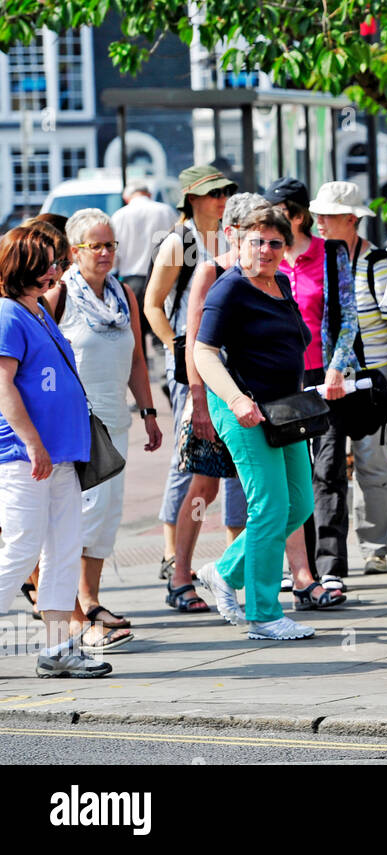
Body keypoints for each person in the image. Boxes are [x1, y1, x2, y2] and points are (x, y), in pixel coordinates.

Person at [191, 205, 318, 640]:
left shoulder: (281, 282)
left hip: (283, 410)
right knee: (268, 505)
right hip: (242, 409)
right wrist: (235, 398)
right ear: (238, 241)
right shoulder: (228, 289)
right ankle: (263, 614)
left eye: (274, 242)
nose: (265, 249)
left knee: (299, 504)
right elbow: (203, 352)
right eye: (256, 241)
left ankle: (225, 571)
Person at [40, 210, 163, 652]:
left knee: (105, 519)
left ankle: (89, 600)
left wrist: (149, 410)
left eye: (111, 244)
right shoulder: (57, 296)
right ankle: (71, 618)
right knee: (75, 519)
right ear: (75, 251)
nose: (108, 252)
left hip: (115, 421)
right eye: (98, 245)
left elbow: (135, 360)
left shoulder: (123, 294)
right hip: (75, 426)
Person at [0, 225, 109, 678]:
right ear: (24, 264)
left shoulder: (39, 310)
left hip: (61, 454)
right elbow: (3, 385)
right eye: (47, 260)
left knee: (63, 549)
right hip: (26, 457)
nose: (56, 267)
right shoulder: (7, 313)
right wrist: (31, 442)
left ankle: (58, 647)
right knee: (23, 545)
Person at [143, 165, 247, 583]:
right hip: (190, 360)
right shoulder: (178, 241)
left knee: (237, 453)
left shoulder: (231, 237)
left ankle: (234, 547)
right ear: (192, 197)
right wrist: (176, 344)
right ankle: (173, 551)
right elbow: (153, 304)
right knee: (190, 458)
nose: (221, 198)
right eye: (212, 192)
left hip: (229, 358)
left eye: (225, 190)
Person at [310, 181, 387, 576]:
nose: (320, 222)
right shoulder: (318, 261)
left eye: (329, 216)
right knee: (328, 462)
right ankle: (331, 553)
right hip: (329, 376)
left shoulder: (376, 263)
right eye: (318, 215)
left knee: (370, 459)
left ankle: (374, 547)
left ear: (351, 220)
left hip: (371, 377)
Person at [265, 177, 358, 590]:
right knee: (291, 475)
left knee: (328, 468)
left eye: (278, 212)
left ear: (297, 216)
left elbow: (349, 315)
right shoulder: (264, 258)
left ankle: (331, 565)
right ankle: (300, 569)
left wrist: (339, 367)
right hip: (281, 380)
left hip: (326, 378)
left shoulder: (331, 253)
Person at [111, 181, 177, 326]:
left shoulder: (119, 215)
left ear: (126, 198)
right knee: (161, 331)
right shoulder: (166, 211)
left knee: (135, 331)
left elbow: (113, 254)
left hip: (131, 281)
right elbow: (179, 244)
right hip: (163, 277)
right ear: (149, 194)